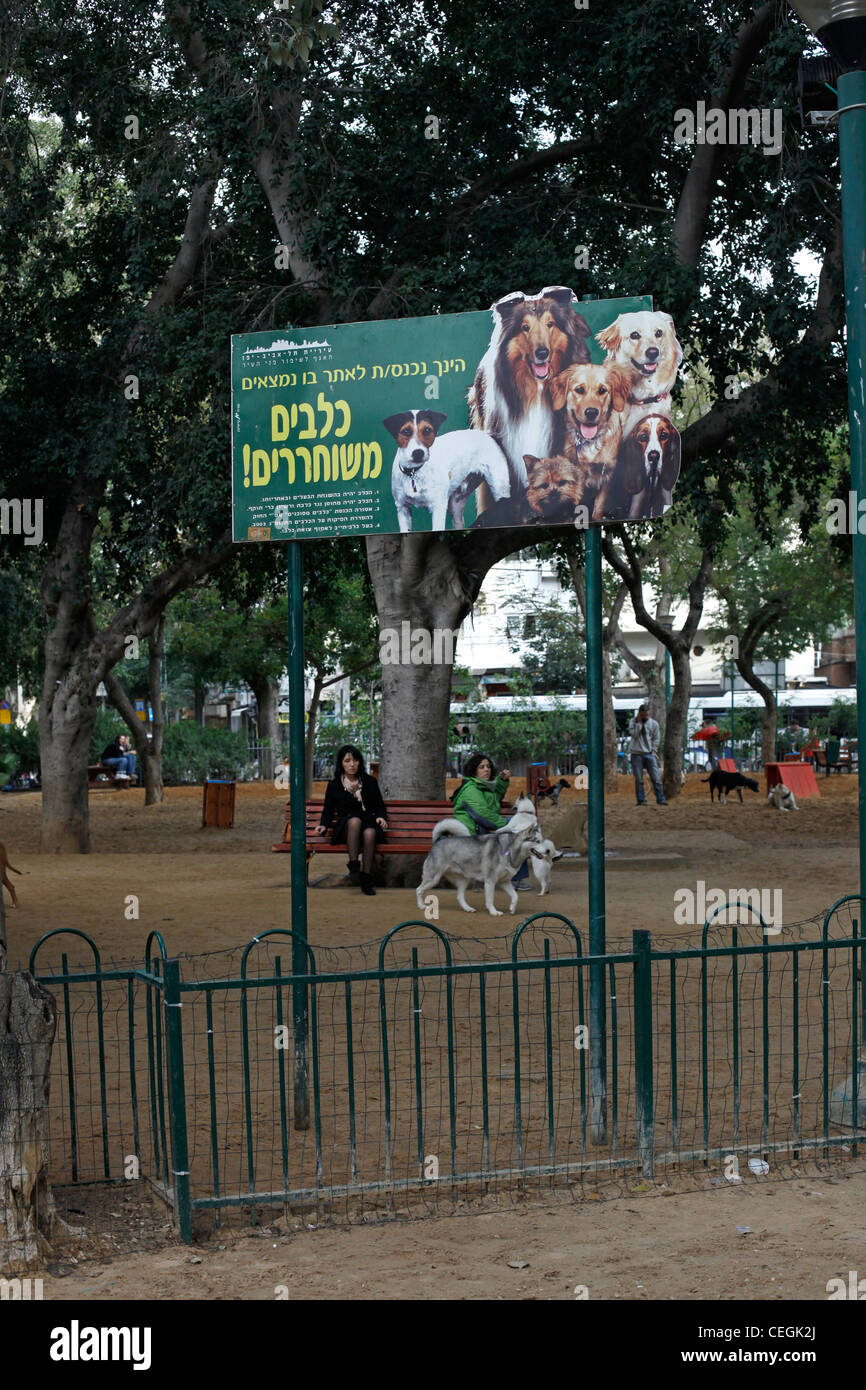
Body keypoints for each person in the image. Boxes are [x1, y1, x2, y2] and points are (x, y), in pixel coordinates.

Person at [452, 752, 532, 888]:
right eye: (481, 767)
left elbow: (494, 799)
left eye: (488, 766)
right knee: (516, 833)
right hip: (474, 831)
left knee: (517, 832)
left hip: (483, 827)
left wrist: (502, 781)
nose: (486, 769)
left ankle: (514, 877)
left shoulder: (484, 786)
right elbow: (483, 815)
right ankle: (514, 879)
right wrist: (508, 825)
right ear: (474, 771)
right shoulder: (471, 789)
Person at [317, 745, 388, 896]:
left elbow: (380, 805)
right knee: (354, 820)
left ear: (360, 762)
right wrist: (323, 825)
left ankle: (366, 877)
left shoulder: (369, 782)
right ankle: (354, 864)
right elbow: (328, 809)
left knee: (369, 833)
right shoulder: (335, 785)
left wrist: (381, 817)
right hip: (347, 827)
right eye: (347, 761)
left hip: (368, 822)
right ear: (341, 763)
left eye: (355, 760)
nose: (352, 764)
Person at [629, 704, 667, 806]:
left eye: (647, 715)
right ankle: (641, 800)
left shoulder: (654, 724)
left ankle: (661, 798)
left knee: (656, 777)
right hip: (636, 754)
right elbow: (634, 734)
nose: (645, 717)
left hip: (649, 754)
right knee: (639, 779)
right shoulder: (633, 722)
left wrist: (654, 750)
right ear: (639, 714)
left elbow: (656, 738)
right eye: (643, 715)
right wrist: (639, 724)